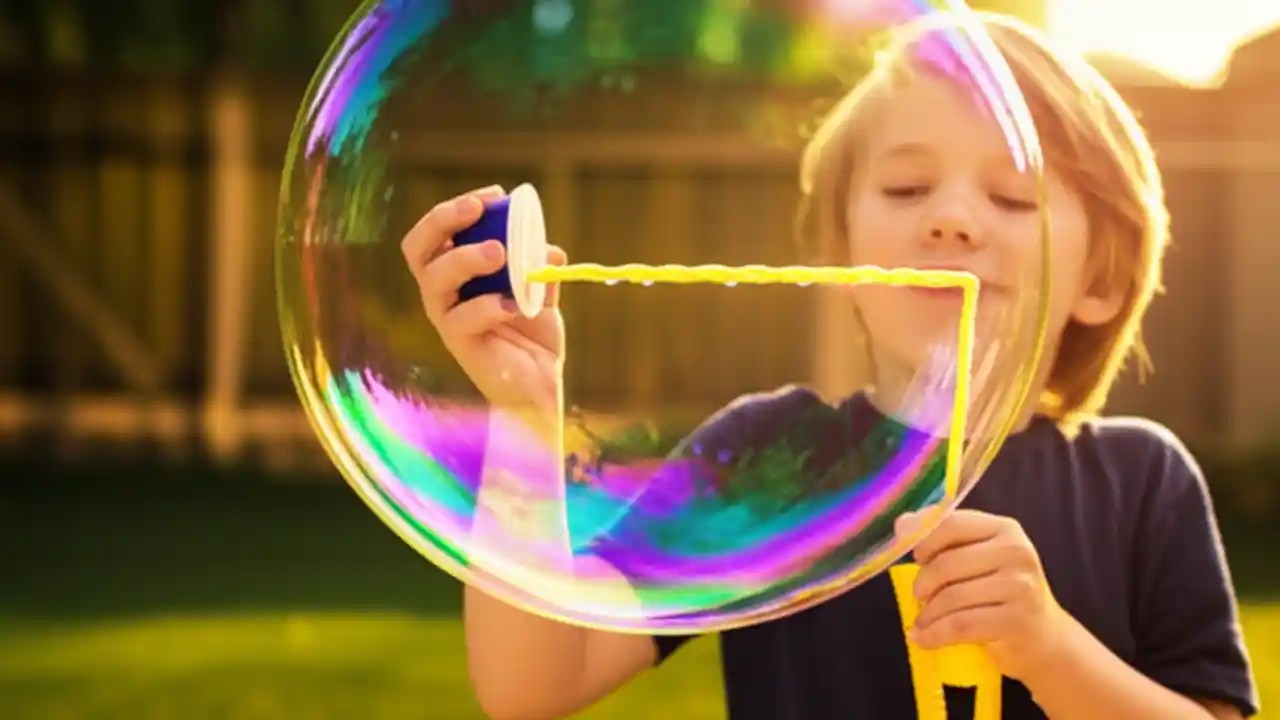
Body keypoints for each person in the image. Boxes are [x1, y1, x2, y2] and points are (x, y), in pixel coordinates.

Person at [399, 11, 1259, 720]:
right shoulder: (768, 461)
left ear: (1102, 278)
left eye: (1010, 196)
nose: (953, 220)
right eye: (905, 189)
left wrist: (1048, 649)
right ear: (842, 250)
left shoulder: (1143, 480)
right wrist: (523, 408)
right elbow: (534, 686)